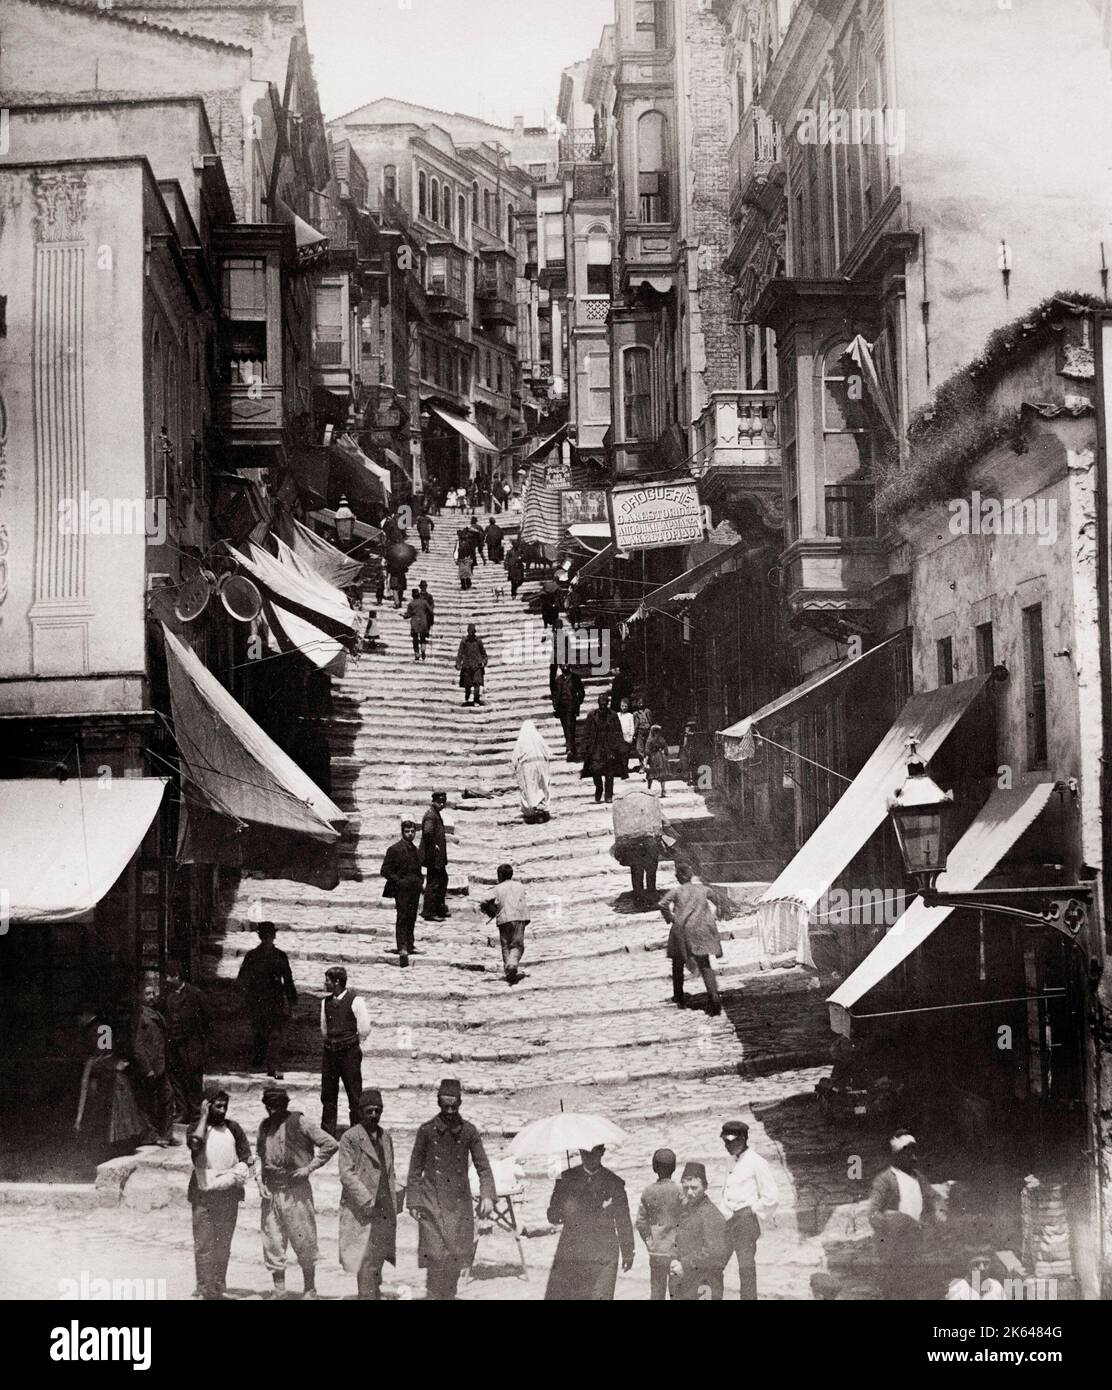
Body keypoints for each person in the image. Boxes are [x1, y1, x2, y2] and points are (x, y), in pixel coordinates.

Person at [406, 1079, 495, 1301]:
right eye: (445, 1106)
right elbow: (415, 1170)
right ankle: (433, 1295)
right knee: (435, 1256)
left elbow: (483, 1167)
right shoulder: (426, 1131)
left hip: (458, 1204)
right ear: (439, 1104)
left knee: (456, 1255)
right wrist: (414, 1201)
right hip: (432, 1202)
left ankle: (450, 1295)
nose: (449, 1111)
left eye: (453, 1107)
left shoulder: (469, 1132)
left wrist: (487, 1195)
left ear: (460, 1104)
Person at [256, 1084, 338, 1300]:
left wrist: (309, 1168)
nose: (273, 1111)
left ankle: (310, 1289)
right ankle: (279, 1290)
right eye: (269, 1107)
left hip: (297, 1191)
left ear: (285, 1105)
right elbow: (259, 1157)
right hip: (272, 1192)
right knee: (272, 1241)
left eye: (277, 1107)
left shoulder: (300, 1122)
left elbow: (330, 1144)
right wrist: (260, 1183)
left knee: (304, 1239)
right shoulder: (264, 1127)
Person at [187, 1086, 255, 1300]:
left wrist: (236, 1174)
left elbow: (246, 1157)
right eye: (218, 1106)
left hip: (228, 1195)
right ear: (207, 1105)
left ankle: (218, 1285)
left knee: (223, 1243)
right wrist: (203, 1117)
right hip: (203, 1195)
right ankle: (204, 1287)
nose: (223, 1110)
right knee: (204, 1244)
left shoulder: (233, 1128)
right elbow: (195, 1144)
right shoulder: (196, 1128)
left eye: (225, 1106)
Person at [544, 1144, 635, 1300]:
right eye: (585, 1153)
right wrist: (564, 1207)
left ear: (602, 1153)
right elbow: (553, 1216)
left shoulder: (614, 1183)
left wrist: (628, 1251)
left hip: (604, 1255)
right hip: (573, 1254)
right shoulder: (566, 1179)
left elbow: (623, 1219)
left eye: (594, 1153)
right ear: (580, 1152)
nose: (590, 1157)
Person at [338, 1088, 400, 1300]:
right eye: (369, 1111)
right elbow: (346, 1174)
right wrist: (366, 1200)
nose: (374, 1115)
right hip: (362, 1207)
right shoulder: (350, 1138)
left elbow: (391, 1170)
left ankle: (374, 1291)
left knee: (380, 1253)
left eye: (377, 1111)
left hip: (384, 1205)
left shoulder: (386, 1136)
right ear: (361, 1112)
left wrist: (395, 1197)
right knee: (364, 1255)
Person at [868, 1131, 936, 1300]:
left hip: (914, 1242)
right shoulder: (885, 1179)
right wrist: (897, 1224)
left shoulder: (918, 1177)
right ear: (897, 1156)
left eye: (915, 1153)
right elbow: (873, 1213)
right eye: (908, 1153)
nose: (914, 1158)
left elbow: (932, 1197)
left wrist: (937, 1211)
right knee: (892, 1286)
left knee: (912, 1285)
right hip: (893, 1244)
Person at [73, 1010, 148, 1159]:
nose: (78, 1020)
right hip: (103, 1074)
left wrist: (94, 1065)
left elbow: (106, 1054)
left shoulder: (101, 1029)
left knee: (114, 1113)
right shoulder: (94, 1029)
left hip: (108, 1076)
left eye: (79, 1016)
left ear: (85, 1014)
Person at [718, 1118, 779, 1300]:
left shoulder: (757, 1162)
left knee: (746, 1270)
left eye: (730, 1141)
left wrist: (752, 1210)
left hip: (746, 1223)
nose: (726, 1146)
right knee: (716, 1263)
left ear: (743, 1139)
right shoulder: (730, 1161)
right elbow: (727, 1191)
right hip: (729, 1220)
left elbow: (771, 1197)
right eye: (724, 1141)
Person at [659, 864, 723, 1014]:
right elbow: (718, 899)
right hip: (702, 928)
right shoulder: (703, 889)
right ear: (691, 876)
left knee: (678, 962)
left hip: (682, 930)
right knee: (704, 963)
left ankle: (679, 996)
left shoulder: (676, 891)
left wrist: (670, 917)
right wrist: (717, 914)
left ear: (678, 877)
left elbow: (662, 904)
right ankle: (714, 996)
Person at [237, 922, 297, 1080]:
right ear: (261, 937)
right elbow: (242, 979)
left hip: (274, 1000)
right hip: (256, 1000)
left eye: (269, 935)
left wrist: (291, 1002)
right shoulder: (252, 956)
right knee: (259, 1030)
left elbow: (288, 980)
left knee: (274, 1034)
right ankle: (259, 1057)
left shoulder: (280, 956)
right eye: (266, 935)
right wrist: (242, 998)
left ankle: (273, 1066)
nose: (268, 938)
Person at [319, 966, 371, 1137]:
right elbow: (324, 1028)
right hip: (330, 1054)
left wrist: (351, 1042)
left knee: (354, 1094)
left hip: (349, 1054)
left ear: (337, 982)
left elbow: (364, 1029)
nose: (324, 983)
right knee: (328, 1094)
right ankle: (327, 1132)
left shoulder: (356, 1001)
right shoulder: (325, 1002)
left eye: (327, 980)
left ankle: (357, 1131)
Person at [672, 1161, 730, 1300]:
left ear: (705, 1187)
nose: (690, 1192)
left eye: (694, 1188)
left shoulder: (711, 1214)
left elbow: (715, 1252)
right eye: (686, 1188)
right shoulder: (686, 1210)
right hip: (686, 1280)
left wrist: (684, 1264)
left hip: (705, 1283)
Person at [162, 961, 209, 1127]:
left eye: (168, 976)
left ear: (177, 976)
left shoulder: (195, 994)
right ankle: (182, 1112)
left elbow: (206, 1020)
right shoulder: (166, 996)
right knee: (177, 1080)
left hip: (191, 1046)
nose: (166, 979)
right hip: (174, 1046)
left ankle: (196, 1114)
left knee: (194, 1080)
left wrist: (200, 1042)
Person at [635, 1148, 684, 1301]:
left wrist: (649, 1241)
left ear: (654, 1167)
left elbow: (640, 1222)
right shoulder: (679, 1190)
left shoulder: (648, 1191)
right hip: (675, 1251)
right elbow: (687, 1219)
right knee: (676, 1292)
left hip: (656, 1251)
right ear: (674, 1168)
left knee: (656, 1291)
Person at [132, 979, 176, 1146]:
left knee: (167, 1096)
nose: (152, 997)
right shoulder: (141, 1016)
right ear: (140, 996)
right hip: (150, 1067)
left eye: (153, 994)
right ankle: (152, 1135)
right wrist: (147, 1068)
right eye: (147, 994)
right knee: (149, 1102)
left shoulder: (155, 1013)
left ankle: (166, 1135)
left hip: (160, 1065)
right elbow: (137, 1046)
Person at [379, 819, 425, 967]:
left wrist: (420, 882)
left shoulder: (415, 850)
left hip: (414, 889)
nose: (410, 834)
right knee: (403, 916)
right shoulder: (394, 849)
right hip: (402, 889)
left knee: (412, 917)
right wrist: (399, 882)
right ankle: (402, 946)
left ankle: (411, 944)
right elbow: (385, 870)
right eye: (407, 831)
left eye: (412, 831)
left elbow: (418, 869)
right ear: (402, 832)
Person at [480, 863, 531, 984]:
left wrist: (489, 910)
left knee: (506, 946)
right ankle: (512, 966)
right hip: (519, 918)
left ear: (500, 875)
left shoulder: (497, 888)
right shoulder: (520, 886)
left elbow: (484, 900)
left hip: (503, 919)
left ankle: (509, 971)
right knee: (517, 945)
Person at [612, 783, 663, 903]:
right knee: (651, 870)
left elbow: (618, 827)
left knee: (636, 870)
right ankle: (652, 894)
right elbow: (659, 824)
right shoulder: (651, 801)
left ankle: (638, 897)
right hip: (649, 841)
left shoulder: (620, 803)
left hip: (632, 843)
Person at [579, 693, 628, 802]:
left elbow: (618, 732)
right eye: (601, 705)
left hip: (609, 748)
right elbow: (586, 733)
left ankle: (608, 795)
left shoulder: (613, 715)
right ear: (598, 704)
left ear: (607, 704)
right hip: (596, 748)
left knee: (609, 773)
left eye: (605, 705)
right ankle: (599, 788)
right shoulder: (592, 715)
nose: (603, 707)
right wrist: (584, 748)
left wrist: (621, 748)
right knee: (595, 771)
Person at [511, 718, 552, 822]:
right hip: (542, 763)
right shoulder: (539, 738)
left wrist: (515, 766)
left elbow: (515, 756)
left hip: (528, 765)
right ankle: (542, 807)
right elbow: (548, 752)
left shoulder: (522, 739)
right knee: (542, 786)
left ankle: (535, 809)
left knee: (531, 787)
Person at [421, 790, 451, 921]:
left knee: (442, 880)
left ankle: (439, 907)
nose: (442, 804)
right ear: (433, 801)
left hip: (438, 857)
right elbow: (428, 832)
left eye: (444, 802)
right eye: (439, 802)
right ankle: (429, 912)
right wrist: (433, 845)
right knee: (434, 883)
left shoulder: (435, 814)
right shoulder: (430, 815)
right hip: (433, 857)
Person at [553, 664, 584, 760]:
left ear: (569, 666)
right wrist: (555, 705)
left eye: (565, 665)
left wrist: (577, 702)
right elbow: (555, 693)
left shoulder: (575, 678)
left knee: (571, 726)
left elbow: (581, 692)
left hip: (571, 707)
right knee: (565, 727)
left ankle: (569, 748)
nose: (564, 667)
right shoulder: (558, 679)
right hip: (561, 707)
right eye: (561, 666)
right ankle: (571, 747)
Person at [457, 624, 488, 706]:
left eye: (472, 632)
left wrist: (483, 662)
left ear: (474, 632)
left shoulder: (478, 642)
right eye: (470, 632)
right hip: (467, 666)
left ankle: (476, 699)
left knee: (477, 683)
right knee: (467, 685)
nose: (471, 634)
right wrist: (458, 663)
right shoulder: (464, 641)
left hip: (477, 666)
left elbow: (484, 654)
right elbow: (460, 654)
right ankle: (467, 695)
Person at [404, 587, 433, 662]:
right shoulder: (424, 602)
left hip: (414, 622)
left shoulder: (411, 604)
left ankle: (417, 653)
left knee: (415, 639)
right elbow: (430, 610)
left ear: (412, 595)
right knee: (423, 638)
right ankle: (423, 650)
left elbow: (408, 615)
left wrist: (404, 616)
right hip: (423, 621)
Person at [644, 724, 671, 795]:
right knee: (662, 774)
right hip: (661, 758)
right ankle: (663, 790)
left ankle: (649, 789)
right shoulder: (661, 739)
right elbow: (666, 751)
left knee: (650, 774)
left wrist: (646, 759)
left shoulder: (649, 740)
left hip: (653, 758)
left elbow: (647, 751)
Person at [617, 696, 637, 773]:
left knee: (626, 753)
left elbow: (632, 726)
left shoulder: (630, 715)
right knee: (620, 753)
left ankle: (625, 768)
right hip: (619, 737)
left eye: (626, 706)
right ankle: (620, 768)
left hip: (627, 737)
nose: (624, 708)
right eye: (622, 706)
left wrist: (631, 735)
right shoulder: (617, 715)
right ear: (620, 706)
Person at [633, 696, 654, 768]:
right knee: (639, 749)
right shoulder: (635, 713)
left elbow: (651, 722)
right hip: (639, 732)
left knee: (648, 748)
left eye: (642, 702)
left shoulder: (647, 711)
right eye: (639, 703)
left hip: (648, 731)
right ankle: (641, 765)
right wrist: (634, 733)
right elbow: (635, 724)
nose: (640, 704)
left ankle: (650, 764)